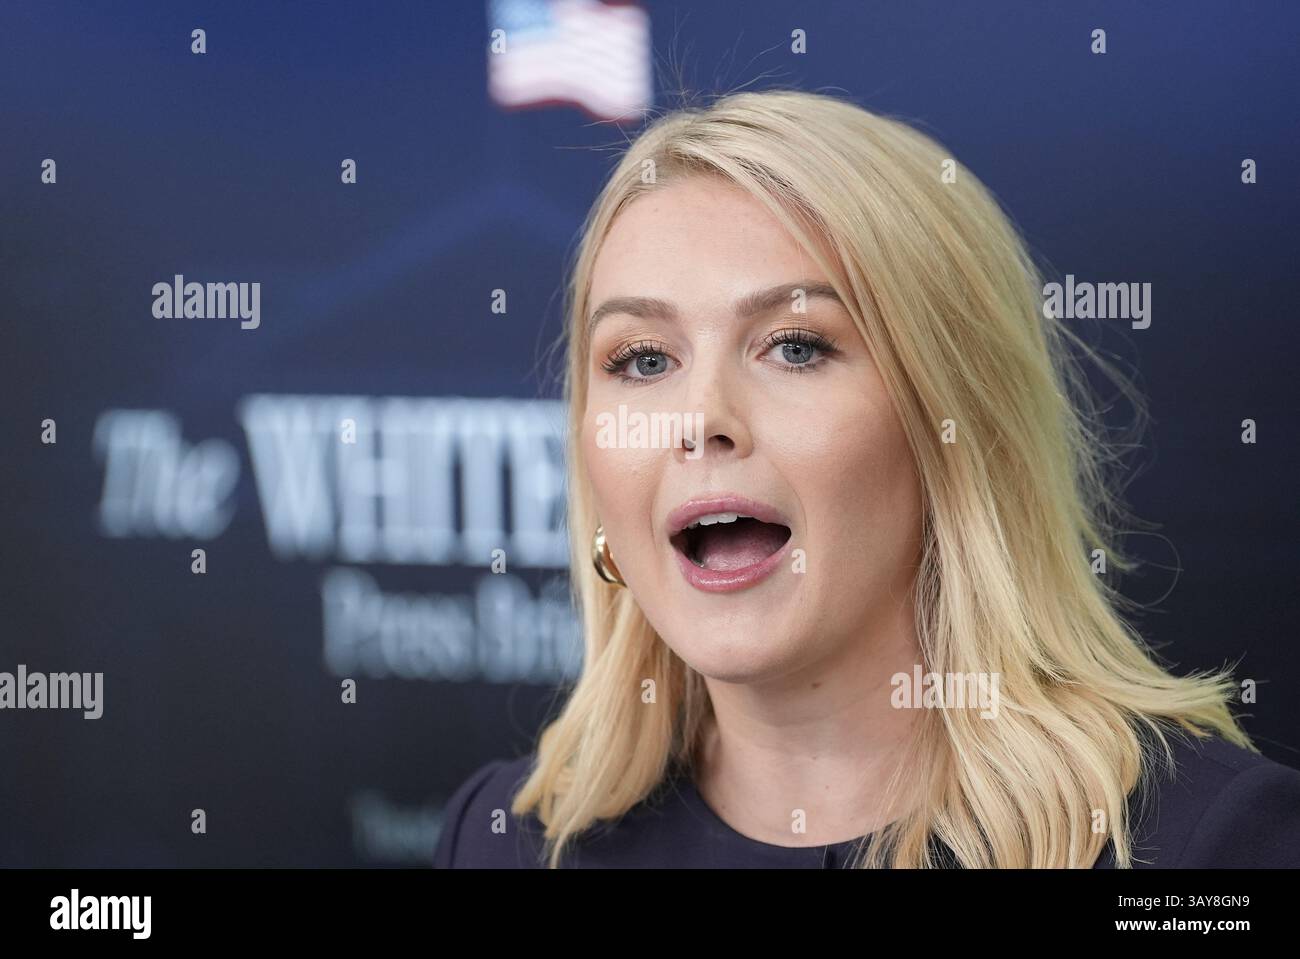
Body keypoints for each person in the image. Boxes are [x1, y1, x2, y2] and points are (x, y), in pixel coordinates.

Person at [435, 89, 1300, 868]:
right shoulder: (506, 839)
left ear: (951, 423)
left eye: (796, 346)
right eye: (643, 357)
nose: (698, 420)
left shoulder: (1212, 851)